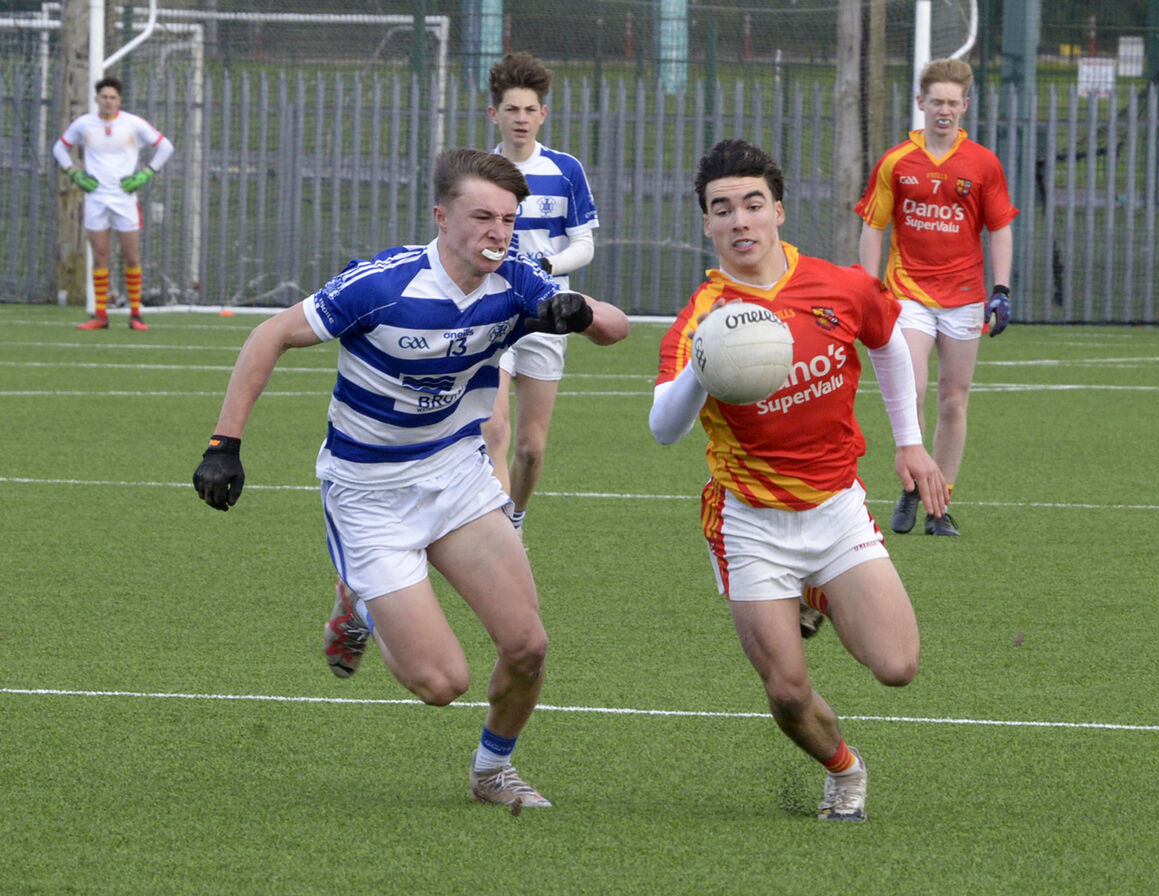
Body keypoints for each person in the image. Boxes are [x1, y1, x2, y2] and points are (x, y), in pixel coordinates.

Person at [192, 148, 629, 809]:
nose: (498, 233)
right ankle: (359, 602)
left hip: (456, 476)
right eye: (482, 216)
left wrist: (581, 314)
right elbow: (270, 335)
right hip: (368, 492)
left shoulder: (519, 279)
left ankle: (491, 774)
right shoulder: (384, 283)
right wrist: (224, 444)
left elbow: (616, 331)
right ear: (441, 216)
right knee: (442, 682)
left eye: (508, 220)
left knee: (528, 646)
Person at [650, 139, 948, 821]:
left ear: (778, 210)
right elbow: (663, 429)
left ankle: (815, 589)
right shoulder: (699, 320)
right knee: (787, 691)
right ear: (707, 224)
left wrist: (911, 444)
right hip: (750, 521)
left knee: (898, 665)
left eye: (753, 203)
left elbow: (889, 343)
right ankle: (844, 773)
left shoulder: (838, 286)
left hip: (837, 509)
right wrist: (704, 362)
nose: (740, 221)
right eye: (722, 209)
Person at [856, 57, 1019, 536]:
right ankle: (912, 484)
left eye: (953, 102)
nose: (944, 110)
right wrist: (867, 288)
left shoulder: (983, 163)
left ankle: (938, 504)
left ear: (965, 106)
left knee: (953, 400)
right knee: (913, 388)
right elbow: (873, 227)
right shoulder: (896, 161)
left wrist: (1001, 290)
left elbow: (1000, 229)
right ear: (920, 103)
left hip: (965, 298)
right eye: (936, 102)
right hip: (908, 293)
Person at [480, 53, 599, 534]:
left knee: (531, 447)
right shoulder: (481, 172)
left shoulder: (565, 170)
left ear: (543, 114)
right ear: (495, 115)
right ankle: (496, 540)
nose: (521, 119)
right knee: (493, 430)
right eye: (511, 109)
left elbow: (584, 245)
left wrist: (543, 266)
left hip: (549, 316)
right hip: (493, 312)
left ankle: (517, 518)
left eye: (530, 110)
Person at [53, 76, 174, 331]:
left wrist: (146, 173)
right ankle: (100, 315)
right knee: (100, 256)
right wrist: (74, 173)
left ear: (119, 100)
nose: (108, 101)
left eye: (113, 97)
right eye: (104, 97)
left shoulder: (132, 123)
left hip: (124, 199)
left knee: (131, 256)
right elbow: (59, 149)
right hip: (95, 198)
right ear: (96, 99)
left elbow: (165, 146)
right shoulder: (84, 124)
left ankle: (136, 315)